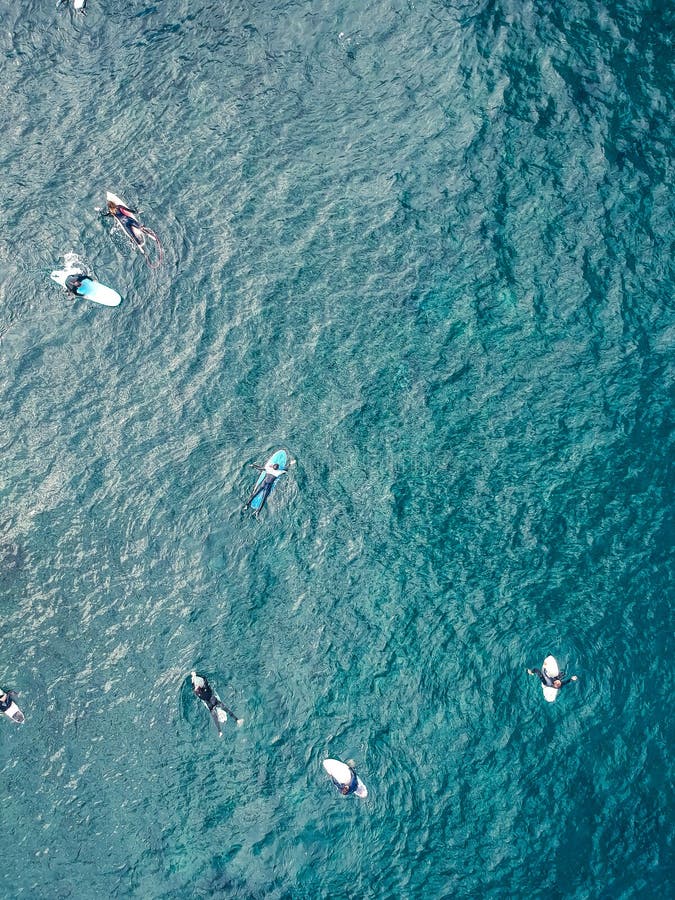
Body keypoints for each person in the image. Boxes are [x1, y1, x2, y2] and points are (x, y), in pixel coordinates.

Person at [104, 199, 163, 268]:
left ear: (109, 207)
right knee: (141, 228)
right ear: (113, 203)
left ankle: (141, 250)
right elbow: (129, 210)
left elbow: (106, 215)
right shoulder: (118, 206)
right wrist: (136, 212)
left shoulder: (112, 213)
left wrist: (102, 213)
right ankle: (152, 236)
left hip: (125, 225)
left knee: (133, 237)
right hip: (129, 220)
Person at [191, 672, 238, 737]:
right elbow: (230, 712)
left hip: (204, 697)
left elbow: (216, 722)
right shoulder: (221, 706)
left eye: (220, 717)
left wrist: (219, 731)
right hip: (208, 692)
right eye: (223, 715)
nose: (221, 715)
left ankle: (193, 678)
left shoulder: (214, 713)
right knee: (204, 678)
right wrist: (236, 719)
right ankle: (196, 675)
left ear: (218, 716)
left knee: (195, 691)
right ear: (224, 712)